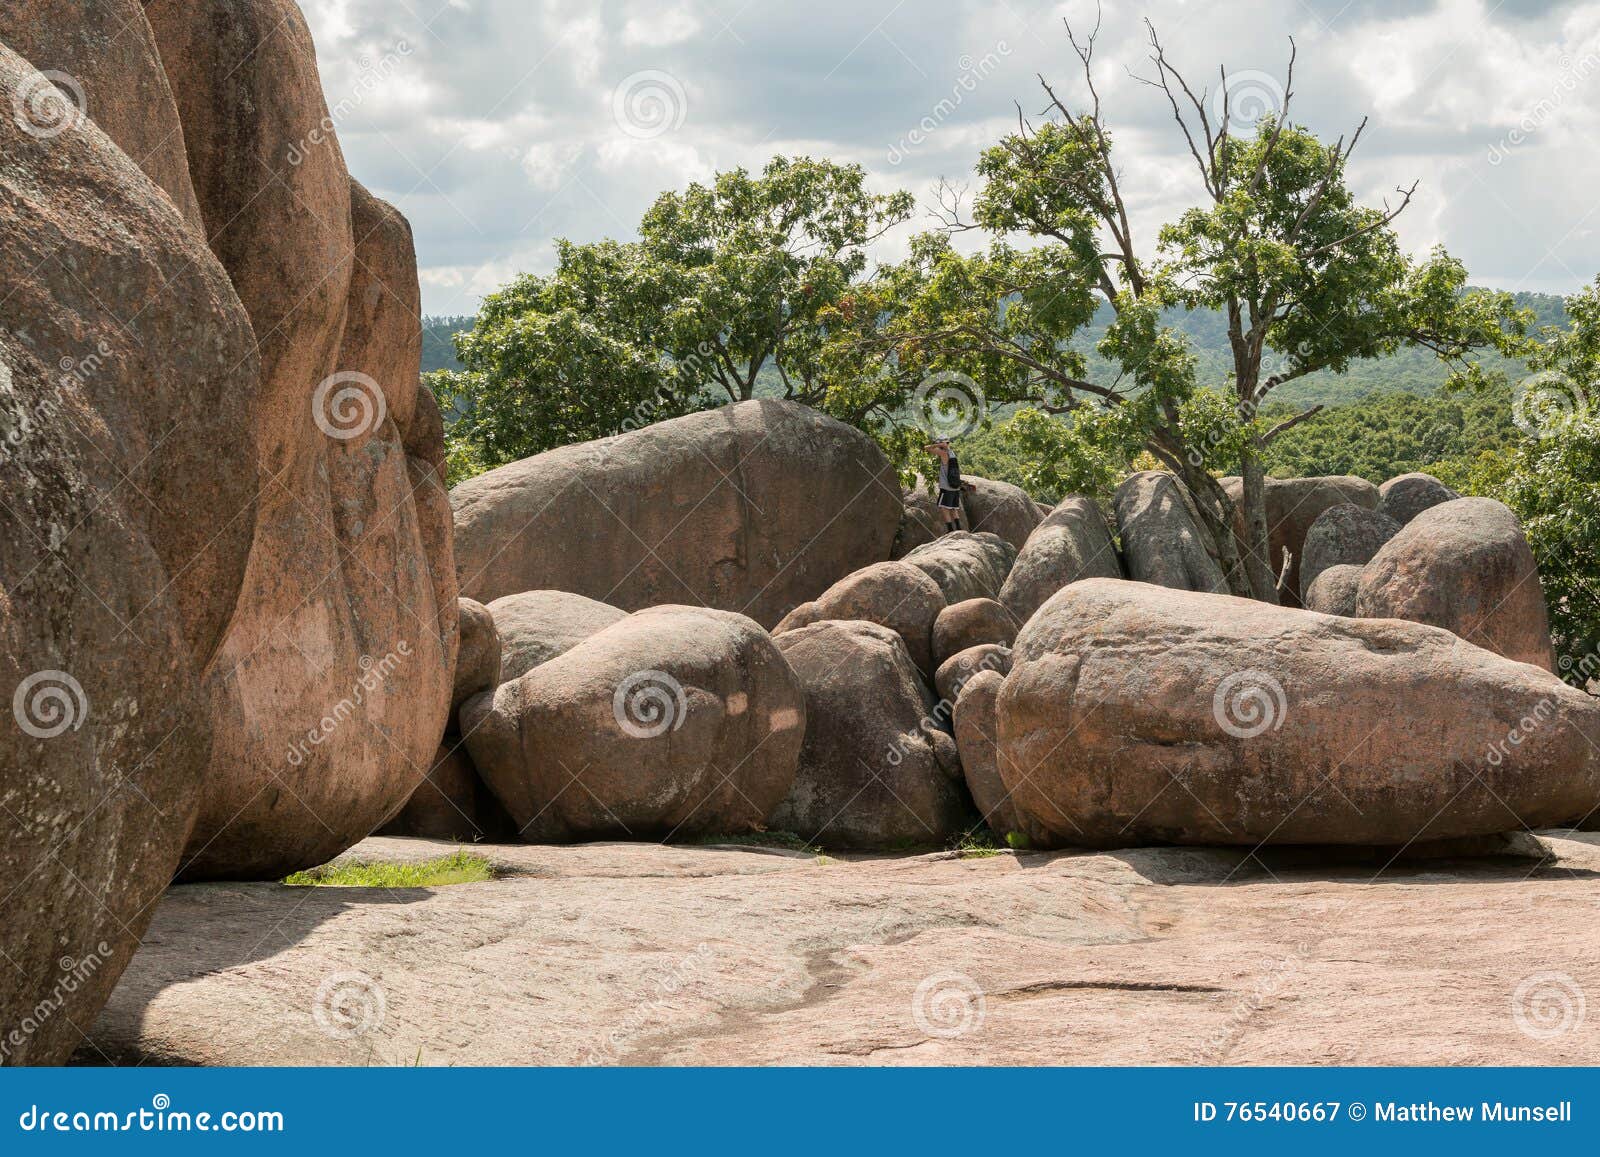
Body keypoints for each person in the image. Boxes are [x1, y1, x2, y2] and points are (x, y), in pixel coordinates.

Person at [924, 436, 969, 534]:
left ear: (942, 444)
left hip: (947, 487)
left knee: (943, 507)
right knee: (953, 508)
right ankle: (958, 528)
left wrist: (938, 444)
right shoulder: (952, 453)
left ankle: (950, 530)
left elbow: (926, 448)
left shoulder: (944, 453)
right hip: (955, 487)